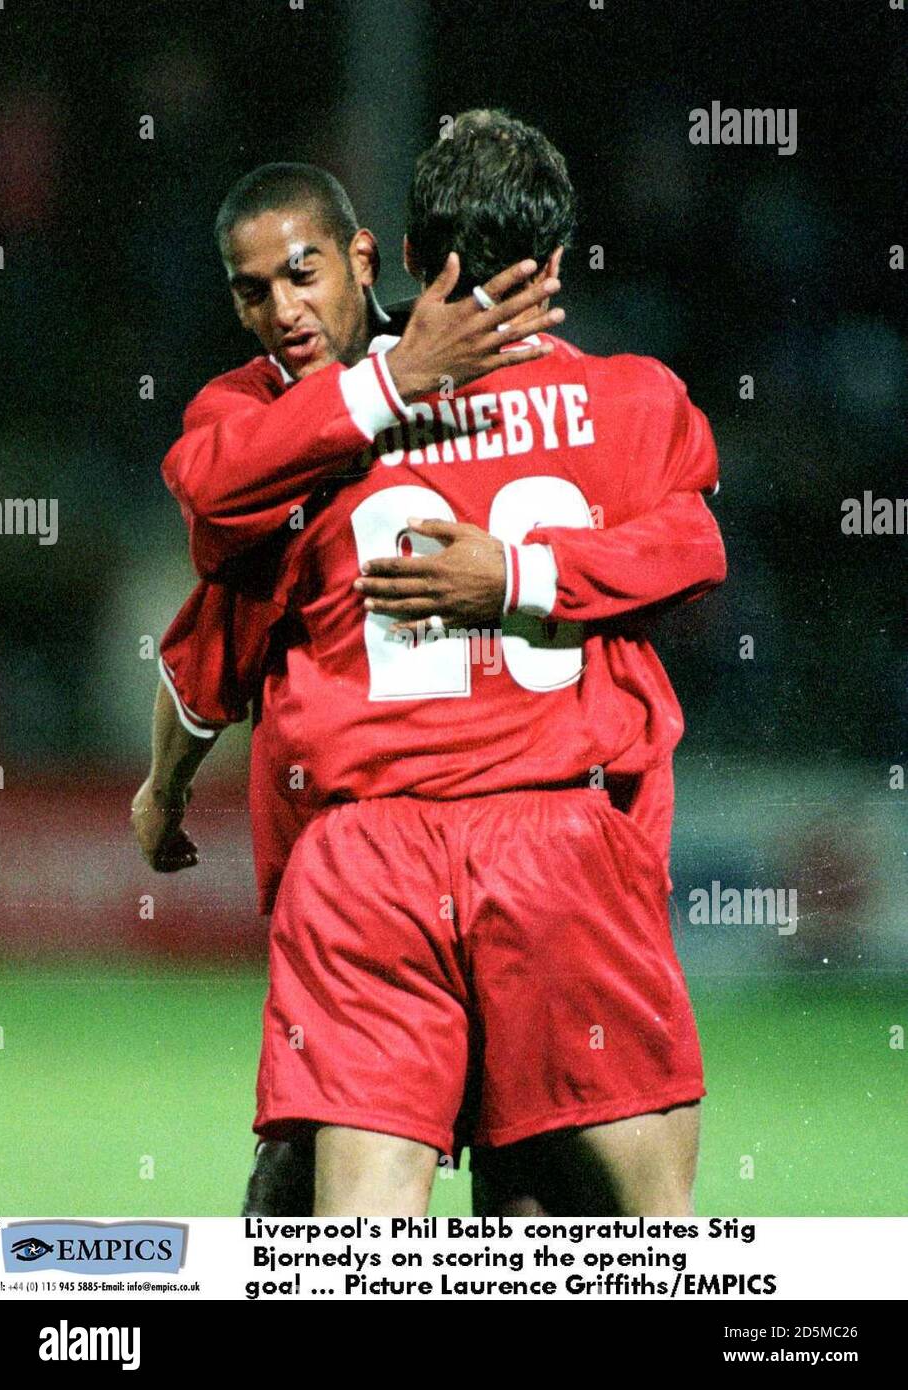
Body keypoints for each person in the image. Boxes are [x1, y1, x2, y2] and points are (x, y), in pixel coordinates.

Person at [150, 111, 726, 1217]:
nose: (279, 312)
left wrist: (163, 786)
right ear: (555, 263)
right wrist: (526, 576)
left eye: (299, 276)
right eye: (253, 289)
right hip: (565, 845)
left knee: (341, 1238)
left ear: (395, 258)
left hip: (362, 854)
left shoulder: (290, 436)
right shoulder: (633, 403)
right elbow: (694, 551)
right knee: (620, 1246)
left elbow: (208, 611)